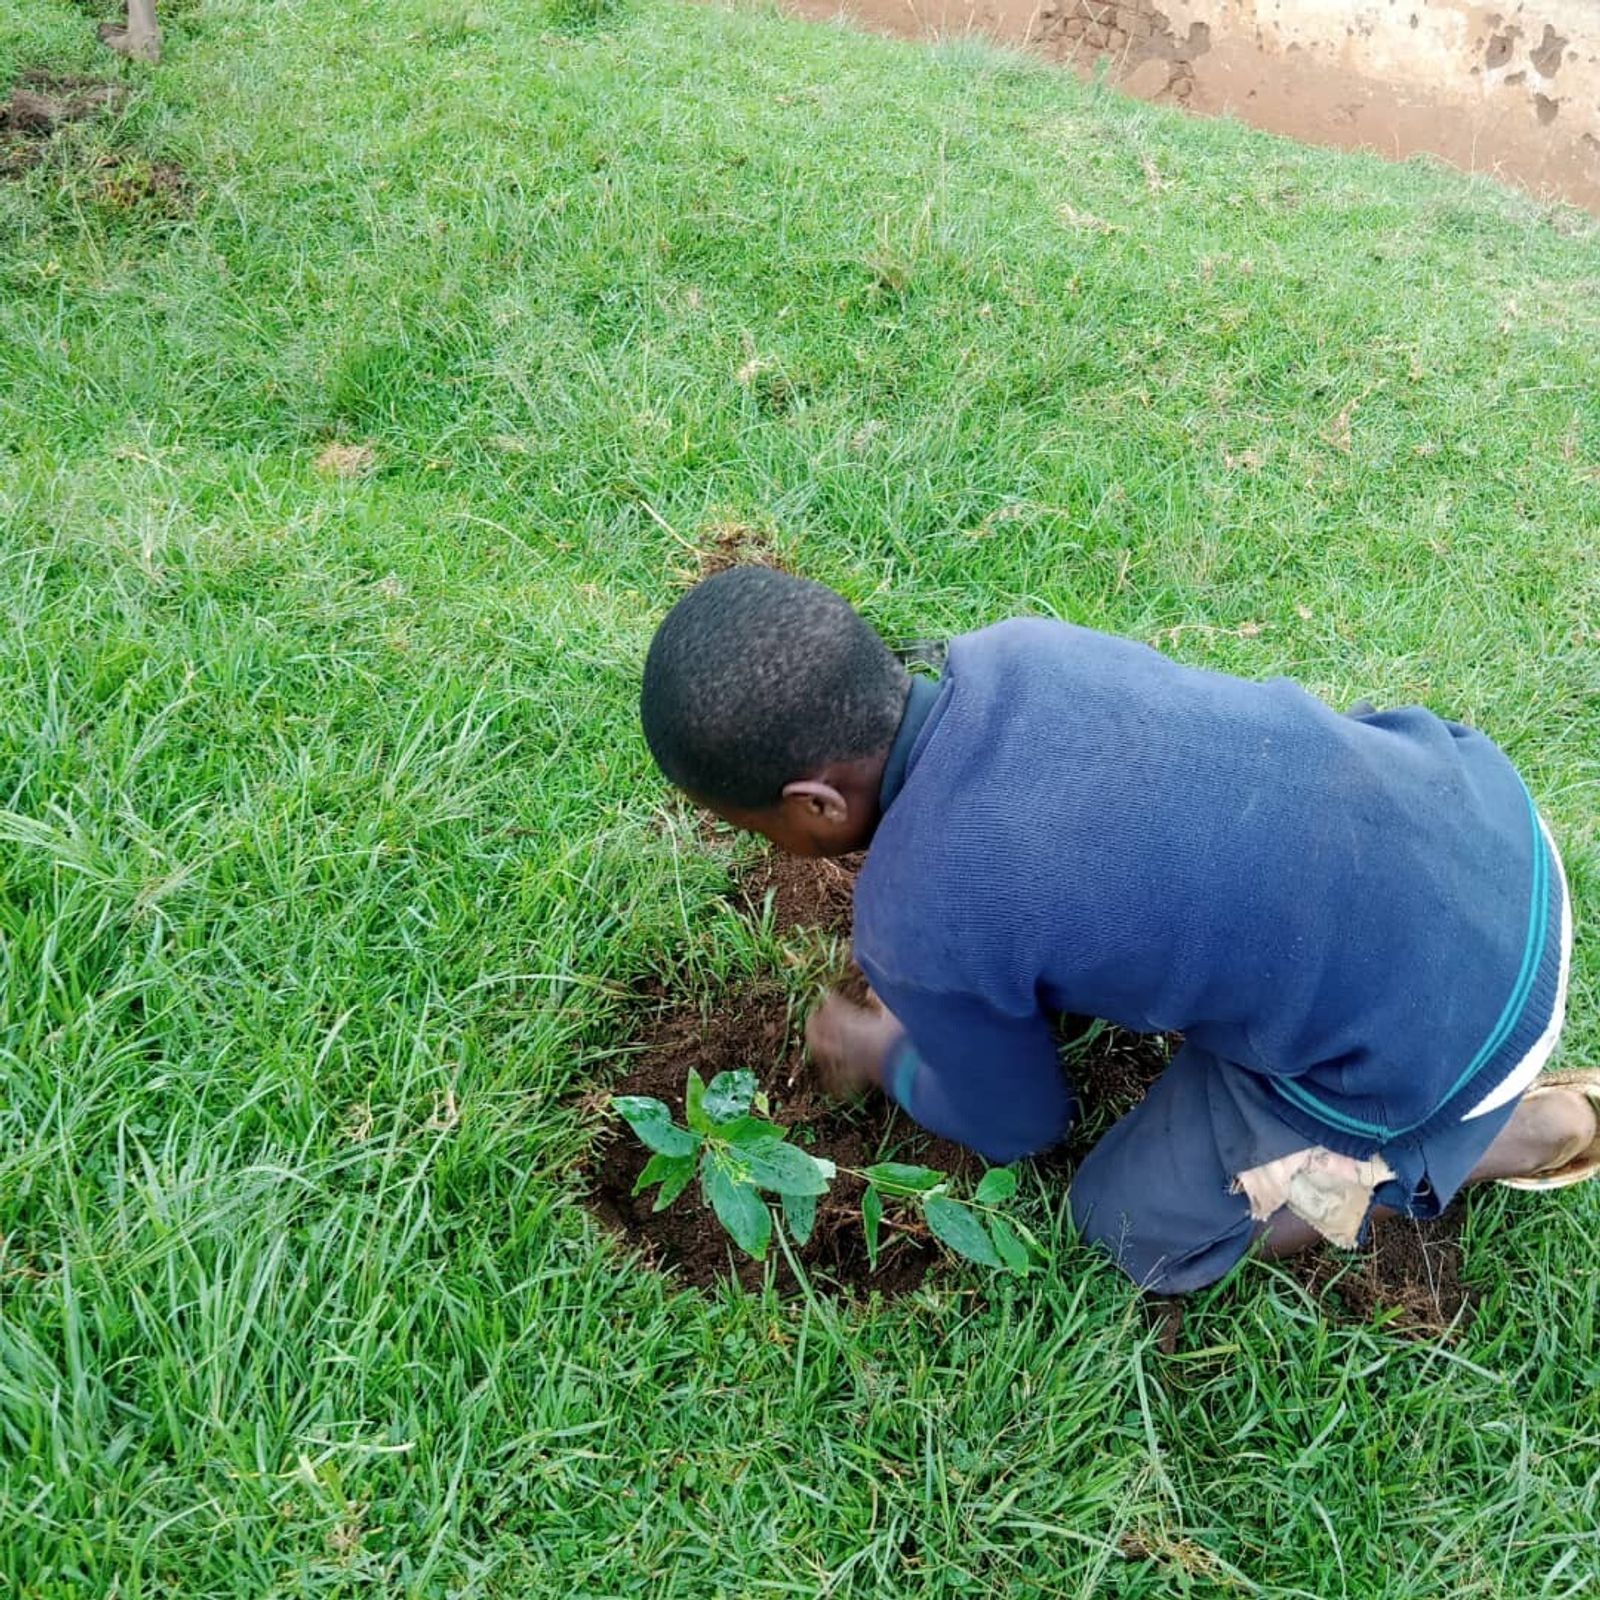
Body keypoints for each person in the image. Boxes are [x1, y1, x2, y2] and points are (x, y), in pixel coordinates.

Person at [639, 566, 1595, 1292]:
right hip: (1481, 817)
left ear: (811, 804)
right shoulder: (1015, 651)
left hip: (1445, 1038)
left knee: (1130, 1229)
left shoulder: (919, 919)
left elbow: (1021, 1125)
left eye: (744, 825)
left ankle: (1497, 1137)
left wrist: (883, 1049)